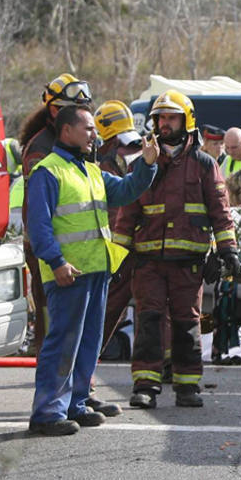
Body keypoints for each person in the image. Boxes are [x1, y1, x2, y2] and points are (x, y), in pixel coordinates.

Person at [26, 105, 158, 435]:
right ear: (66, 131)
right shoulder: (48, 172)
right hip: (68, 273)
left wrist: (148, 164)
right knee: (63, 342)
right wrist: (56, 262)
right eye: (88, 128)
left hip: (96, 270)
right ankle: (47, 412)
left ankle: (76, 402)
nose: (94, 134)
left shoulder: (92, 171)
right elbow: (39, 227)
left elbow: (128, 190)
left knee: (88, 341)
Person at [112, 90, 238, 409]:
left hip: (190, 263)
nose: (164, 124)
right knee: (149, 320)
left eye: (171, 118)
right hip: (148, 261)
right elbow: (128, 212)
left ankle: (187, 386)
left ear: (187, 121)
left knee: (186, 323)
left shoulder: (205, 165)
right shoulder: (144, 164)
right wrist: (117, 258)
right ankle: (145, 385)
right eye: (160, 118)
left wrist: (228, 251)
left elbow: (220, 211)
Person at [19, 74, 94, 355]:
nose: (86, 117)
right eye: (77, 109)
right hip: (49, 250)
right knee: (53, 320)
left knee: (79, 322)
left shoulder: (81, 145)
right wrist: (54, 257)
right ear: (55, 111)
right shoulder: (40, 150)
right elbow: (41, 215)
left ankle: (80, 389)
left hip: (78, 248)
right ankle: (54, 384)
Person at [92, 101, 162, 367]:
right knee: (122, 311)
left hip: (128, 247)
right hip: (134, 246)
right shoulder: (112, 162)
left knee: (113, 311)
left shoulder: (108, 162)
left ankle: (90, 365)